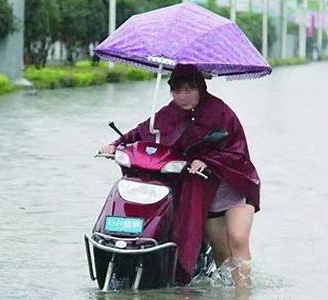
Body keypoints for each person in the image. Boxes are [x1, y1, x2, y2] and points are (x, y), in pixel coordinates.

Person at [99, 64, 260, 287]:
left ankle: (245, 294)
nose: (182, 96)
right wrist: (114, 145)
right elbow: (141, 132)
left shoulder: (220, 112)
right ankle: (226, 291)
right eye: (177, 90)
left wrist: (206, 160)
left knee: (238, 239)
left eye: (189, 90)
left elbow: (237, 151)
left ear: (200, 88)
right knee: (222, 251)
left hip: (231, 186)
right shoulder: (168, 113)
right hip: (202, 190)